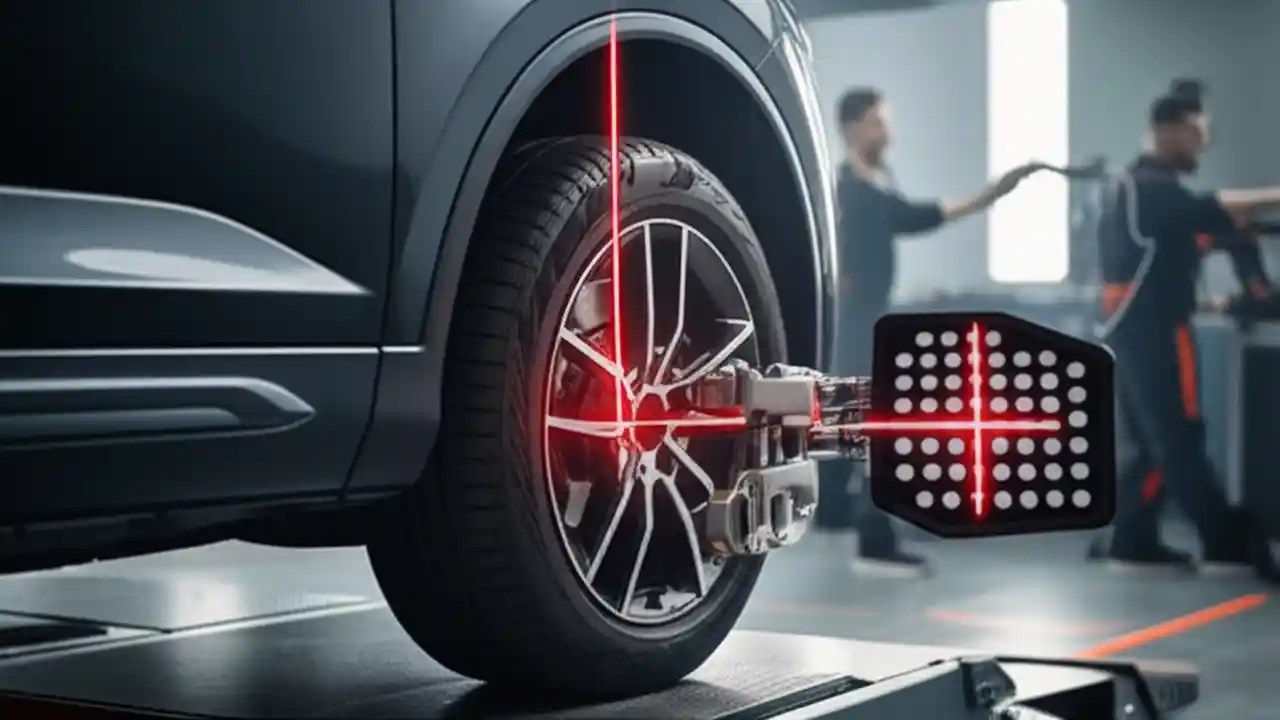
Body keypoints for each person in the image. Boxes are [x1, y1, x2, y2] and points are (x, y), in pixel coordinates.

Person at [832, 87, 1042, 576]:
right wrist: (988, 195)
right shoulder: (852, 190)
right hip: (857, 324)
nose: (889, 132)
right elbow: (911, 218)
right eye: (879, 123)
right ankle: (872, 540)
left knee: (877, 428)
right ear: (853, 128)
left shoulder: (878, 180)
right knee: (876, 429)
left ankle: (867, 529)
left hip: (874, 315)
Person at [1093, 89, 1280, 580]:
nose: (1203, 144)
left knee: (1153, 439)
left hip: (1129, 330)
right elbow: (1211, 208)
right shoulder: (1150, 187)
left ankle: (1132, 539)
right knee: (1180, 435)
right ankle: (1224, 542)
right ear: (1169, 130)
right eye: (1198, 133)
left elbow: (1217, 223)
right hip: (1155, 328)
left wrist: (1252, 279)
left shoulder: (1134, 187)